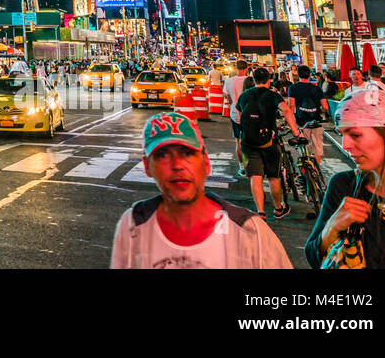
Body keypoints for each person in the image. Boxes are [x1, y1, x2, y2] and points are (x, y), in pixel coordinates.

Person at [111, 110, 292, 268]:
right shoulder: (133, 224)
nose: (177, 165)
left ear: (206, 162)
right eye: (163, 155)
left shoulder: (249, 232)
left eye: (187, 153)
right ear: (147, 167)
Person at [305, 85, 385, 268]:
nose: (346, 145)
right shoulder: (344, 186)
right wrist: (331, 227)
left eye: (355, 135)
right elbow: (313, 256)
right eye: (342, 134)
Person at [236, 67, 300, 220]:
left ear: (254, 79)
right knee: (274, 177)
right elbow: (286, 111)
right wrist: (295, 132)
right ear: (269, 80)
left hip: (249, 142)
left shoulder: (245, 95)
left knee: (255, 178)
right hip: (269, 141)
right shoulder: (273, 95)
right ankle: (278, 209)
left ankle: (260, 212)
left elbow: (239, 115)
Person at [288, 64, 329, 169]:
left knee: (302, 145)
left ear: (298, 75)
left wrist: (290, 120)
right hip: (315, 121)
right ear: (310, 75)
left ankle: (305, 170)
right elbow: (325, 106)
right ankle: (316, 170)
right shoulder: (317, 88)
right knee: (317, 148)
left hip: (301, 121)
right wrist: (320, 112)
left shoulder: (293, 88)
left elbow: (291, 106)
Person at [223, 60, 252, 178]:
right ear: (246, 68)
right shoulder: (250, 80)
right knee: (252, 140)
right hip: (250, 114)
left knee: (239, 141)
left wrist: (234, 105)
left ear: (236, 68)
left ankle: (242, 168)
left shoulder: (229, 81)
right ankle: (253, 165)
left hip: (235, 114)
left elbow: (228, 98)